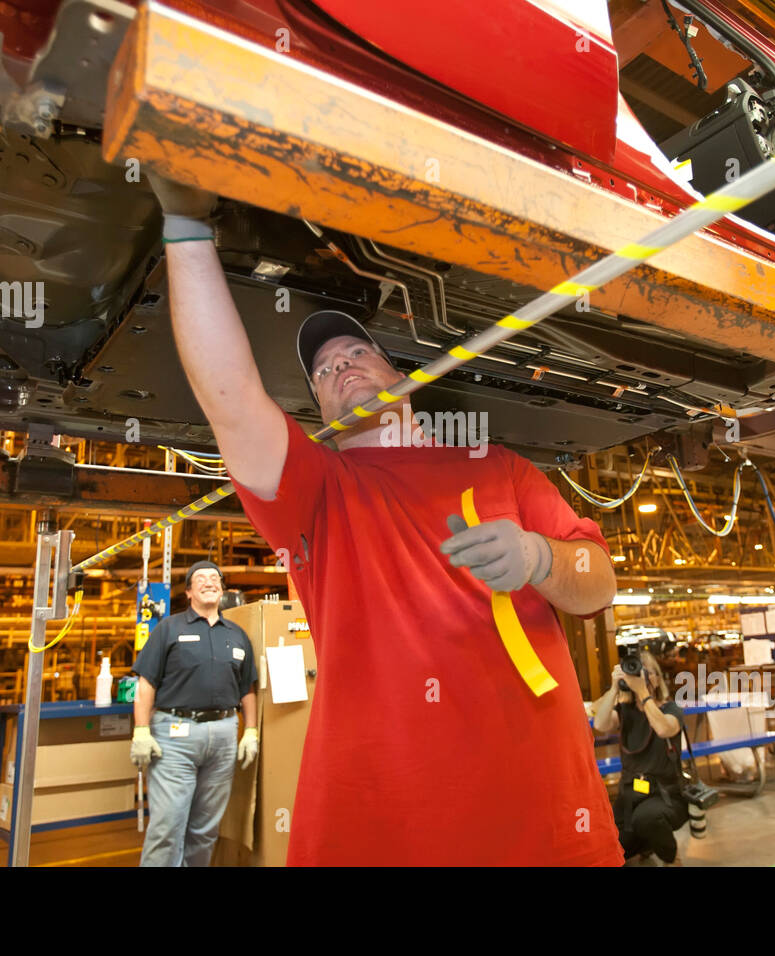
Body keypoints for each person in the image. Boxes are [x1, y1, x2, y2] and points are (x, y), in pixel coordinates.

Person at [148, 172, 622, 865]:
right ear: (319, 412)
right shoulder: (319, 490)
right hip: (382, 825)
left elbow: (599, 582)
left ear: (400, 376)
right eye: (323, 372)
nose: (339, 367)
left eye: (356, 353)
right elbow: (233, 400)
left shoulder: (498, 467)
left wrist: (541, 558)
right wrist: (186, 223)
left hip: (544, 818)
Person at [130, 560, 259, 866]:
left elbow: (247, 689)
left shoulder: (237, 635)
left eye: (215, 578)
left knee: (205, 828)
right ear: (188, 591)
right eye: (200, 578)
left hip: (224, 735)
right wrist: (141, 730)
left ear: (222, 589)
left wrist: (251, 731)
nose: (209, 582)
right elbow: (146, 681)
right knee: (168, 826)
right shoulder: (169, 628)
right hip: (175, 736)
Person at [592, 640, 688, 865]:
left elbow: (664, 728)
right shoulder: (625, 711)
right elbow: (601, 723)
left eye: (647, 673)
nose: (640, 677)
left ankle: (671, 857)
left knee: (647, 818)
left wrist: (644, 695)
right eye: (635, 672)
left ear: (656, 678)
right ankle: (645, 844)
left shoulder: (670, 708)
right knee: (610, 842)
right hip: (630, 794)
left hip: (665, 794)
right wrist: (615, 688)